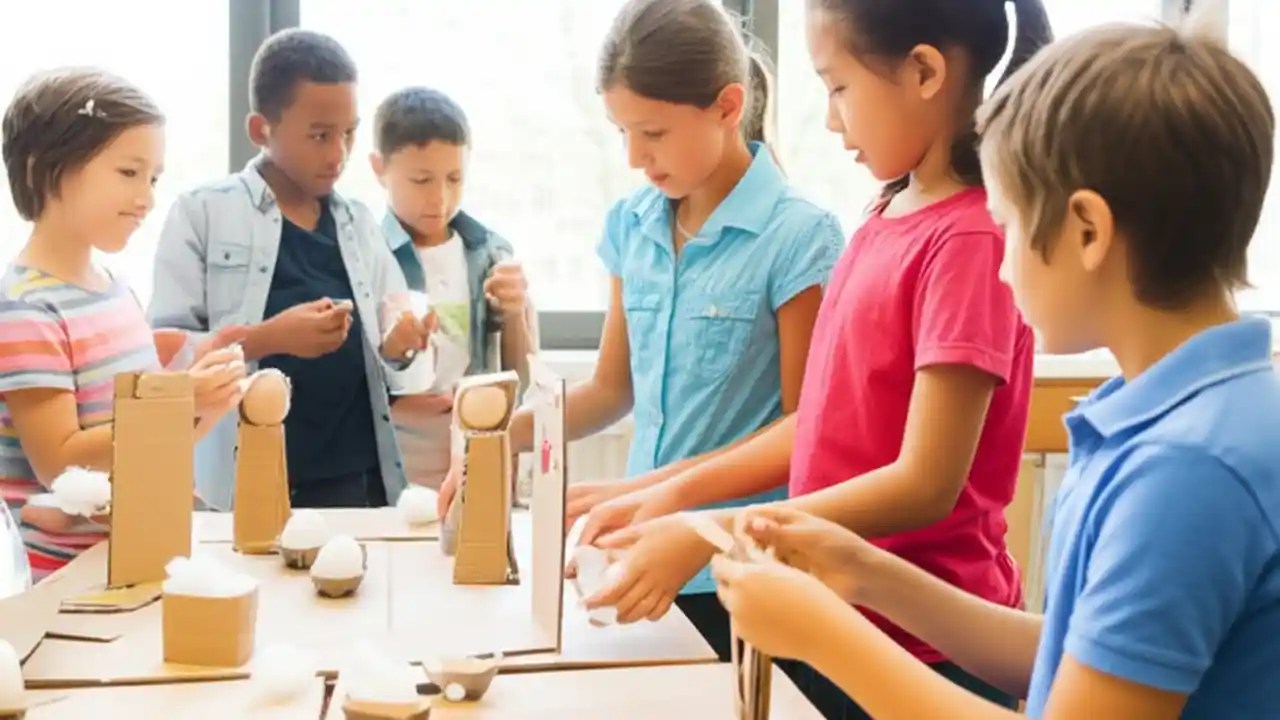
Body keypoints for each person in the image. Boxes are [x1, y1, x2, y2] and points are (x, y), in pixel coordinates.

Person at [713, 19, 1279, 720]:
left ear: (1087, 232)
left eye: (1008, 226)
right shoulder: (1184, 417)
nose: (1001, 262)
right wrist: (868, 575)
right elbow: (1074, 662)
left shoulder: (1188, 468)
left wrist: (826, 637)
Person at [585, 0, 1053, 714]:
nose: (831, 120)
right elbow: (818, 425)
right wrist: (672, 495)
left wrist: (714, 531)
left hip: (927, 652)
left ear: (925, 71)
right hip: (835, 619)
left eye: (837, 88)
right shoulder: (884, 217)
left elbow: (925, 482)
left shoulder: (968, 240)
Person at [441, 0, 843, 660]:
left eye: (652, 132)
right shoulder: (633, 224)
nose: (634, 157)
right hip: (634, 553)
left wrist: (657, 494)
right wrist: (497, 440)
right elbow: (609, 389)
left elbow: (807, 433)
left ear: (727, 105)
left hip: (742, 568)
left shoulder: (801, 236)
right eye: (621, 131)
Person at [149, 29, 432, 510]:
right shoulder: (201, 214)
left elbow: (400, 360)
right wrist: (268, 339)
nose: (338, 153)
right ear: (261, 130)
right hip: (241, 486)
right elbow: (162, 357)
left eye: (348, 133)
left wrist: (401, 346)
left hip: (356, 480)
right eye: (320, 135)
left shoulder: (360, 225)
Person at [0, 68, 245, 580]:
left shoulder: (116, 290)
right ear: (44, 167)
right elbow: (60, 463)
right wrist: (182, 402)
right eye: (128, 172)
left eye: (152, 178)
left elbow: (142, 446)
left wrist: (207, 404)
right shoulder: (27, 310)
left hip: (132, 559)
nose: (147, 197)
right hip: (62, 587)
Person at [370, 86, 536, 490]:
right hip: (404, 446)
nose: (439, 199)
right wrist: (393, 348)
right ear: (379, 169)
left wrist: (516, 311)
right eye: (422, 180)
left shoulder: (491, 254)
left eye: (454, 178)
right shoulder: (369, 256)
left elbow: (525, 376)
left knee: (476, 545)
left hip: (479, 434)